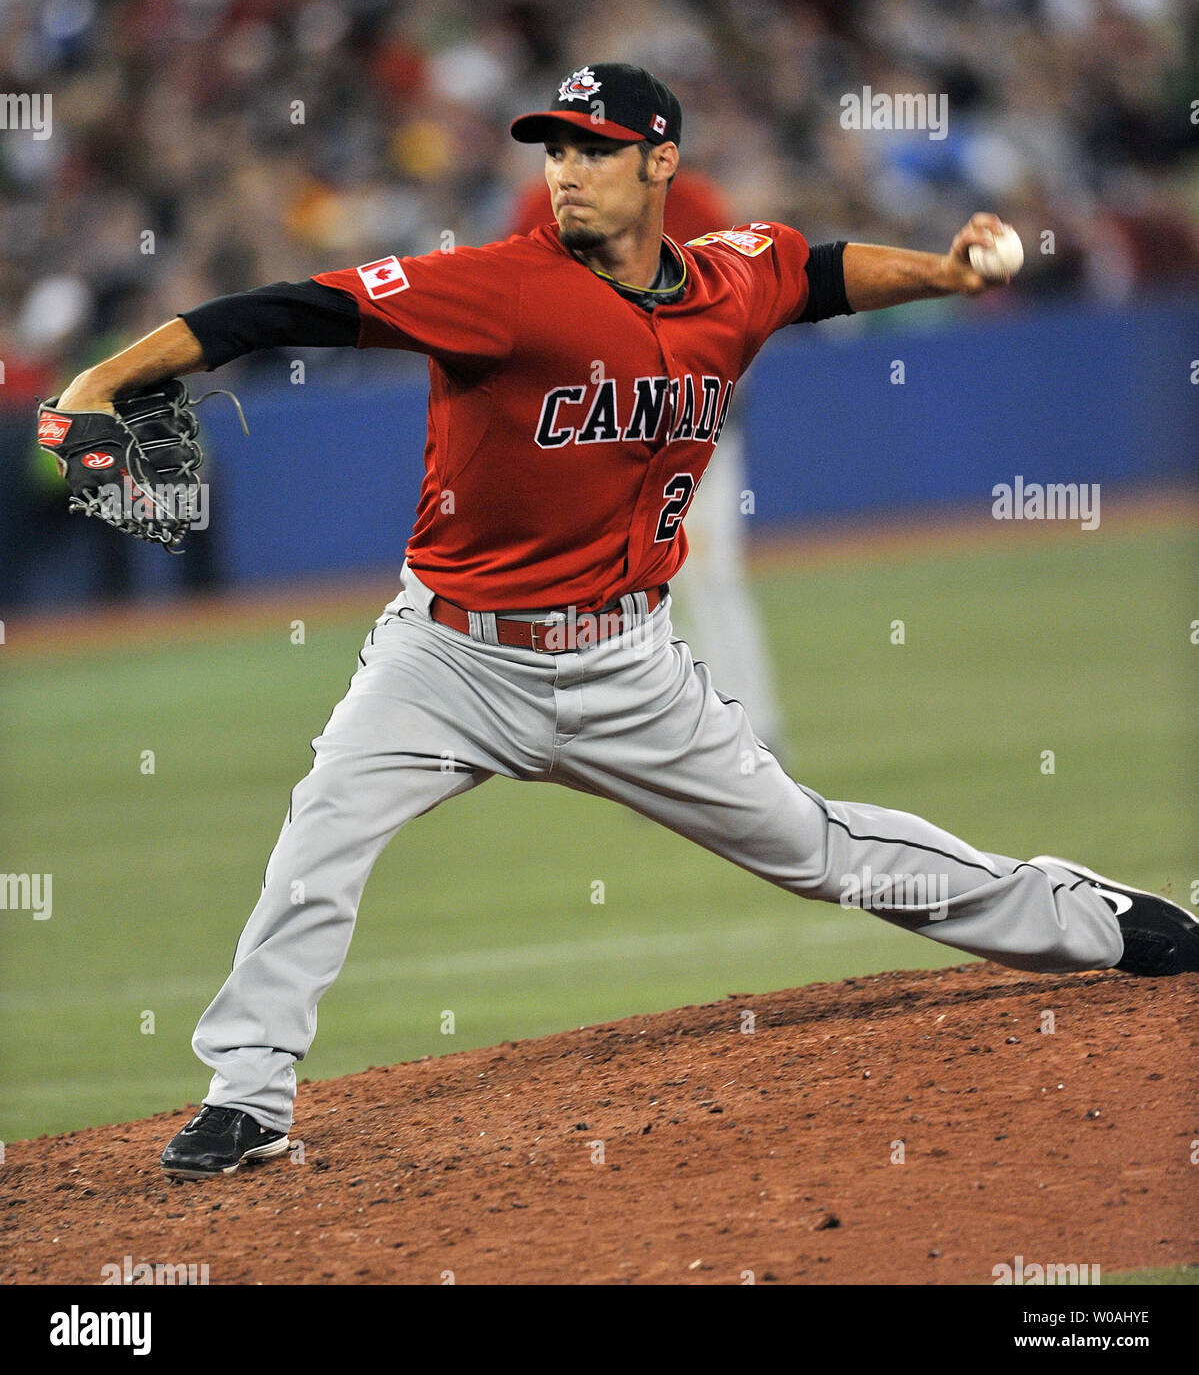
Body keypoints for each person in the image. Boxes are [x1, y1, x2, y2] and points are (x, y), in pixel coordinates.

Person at [51, 64, 1199, 1180]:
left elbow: (822, 271)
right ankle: (247, 1094)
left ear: (660, 161)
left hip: (623, 665)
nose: (565, 171)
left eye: (592, 150)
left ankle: (1090, 917)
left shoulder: (730, 277)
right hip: (445, 656)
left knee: (818, 851)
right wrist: (107, 374)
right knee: (318, 841)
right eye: (553, 149)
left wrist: (943, 275)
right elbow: (291, 307)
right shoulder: (496, 285)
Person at [505, 161, 787, 754]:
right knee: (620, 593)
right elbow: (519, 318)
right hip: (602, 441)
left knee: (707, 577)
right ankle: (658, 740)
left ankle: (754, 733)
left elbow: (744, 303)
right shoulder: (542, 207)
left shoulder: (691, 204)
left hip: (691, 430)